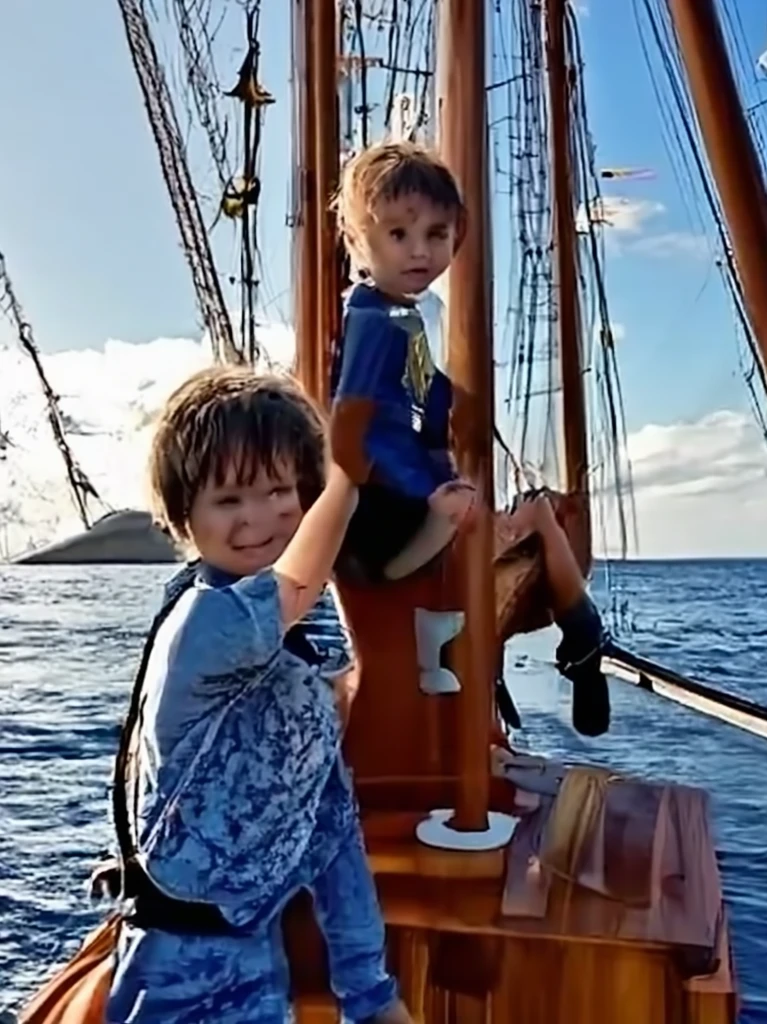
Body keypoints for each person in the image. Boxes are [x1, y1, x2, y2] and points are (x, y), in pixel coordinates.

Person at [103, 366, 413, 1024]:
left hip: (253, 953)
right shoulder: (205, 625)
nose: (259, 519)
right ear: (185, 516)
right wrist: (346, 479)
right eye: (229, 499)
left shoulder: (306, 659)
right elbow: (298, 584)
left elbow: (328, 819)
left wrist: (372, 994)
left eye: (279, 490)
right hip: (174, 967)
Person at [328, 140, 611, 737]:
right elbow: (349, 424)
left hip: (403, 500)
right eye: (399, 235)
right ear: (359, 243)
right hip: (390, 519)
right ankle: (579, 639)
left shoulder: (400, 315)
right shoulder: (377, 321)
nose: (421, 251)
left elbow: (419, 395)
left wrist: (457, 400)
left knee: (532, 513)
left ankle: (581, 636)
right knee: (526, 517)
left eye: (436, 234)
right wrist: (377, 493)